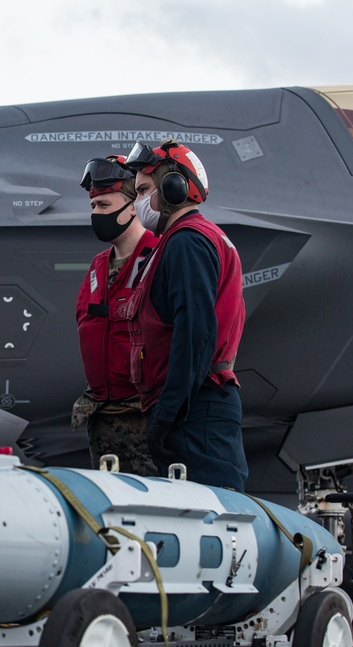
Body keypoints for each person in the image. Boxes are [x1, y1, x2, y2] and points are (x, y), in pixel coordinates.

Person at [120, 139, 248, 491]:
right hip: (199, 404)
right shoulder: (193, 239)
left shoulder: (186, 242)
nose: (139, 202)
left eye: (145, 189)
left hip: (196, 409)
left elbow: (195, 332)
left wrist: (168, 410)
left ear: (173, 188)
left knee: (211, 517)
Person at [72, 155, 159, 476]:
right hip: (103, 418)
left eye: (104, 206)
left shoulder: (160, 256)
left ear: (134, 205)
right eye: (93, 207)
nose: (96, 214)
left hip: (145, 418)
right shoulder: (98, 267)